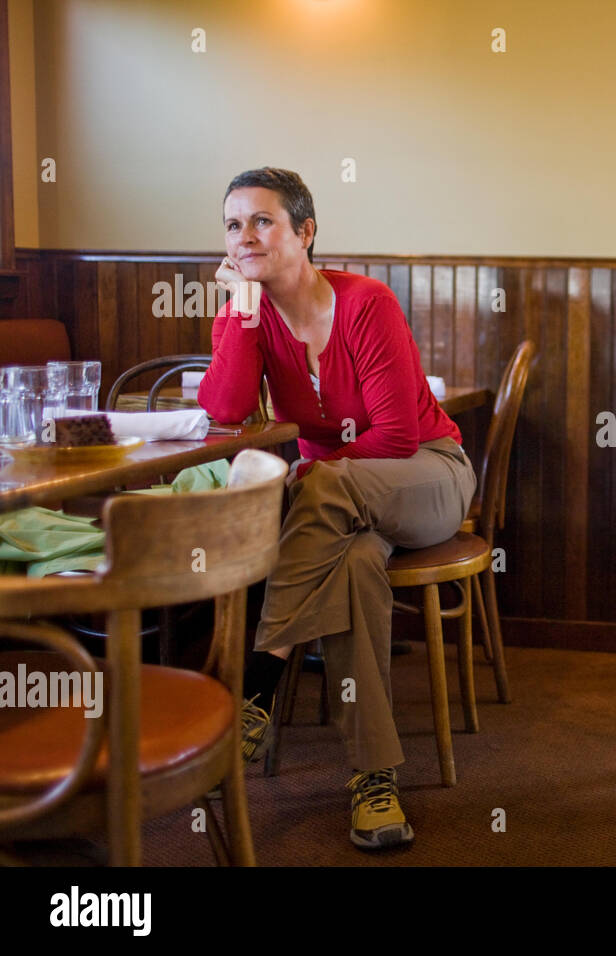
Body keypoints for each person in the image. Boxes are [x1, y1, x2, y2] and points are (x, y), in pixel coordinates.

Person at [199, 167, 476, 850]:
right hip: (344, 511)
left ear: (306, 231)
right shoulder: (252, 313)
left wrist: (315, 473)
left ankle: (257, 681)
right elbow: (226, 408)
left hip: (427, 476)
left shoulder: (364, 302)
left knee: (317, 486)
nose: (245, 237)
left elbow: (398, 435)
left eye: (262, 220)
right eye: (234, 225)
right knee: (352, 564)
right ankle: (375, 780)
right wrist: (238, 309)